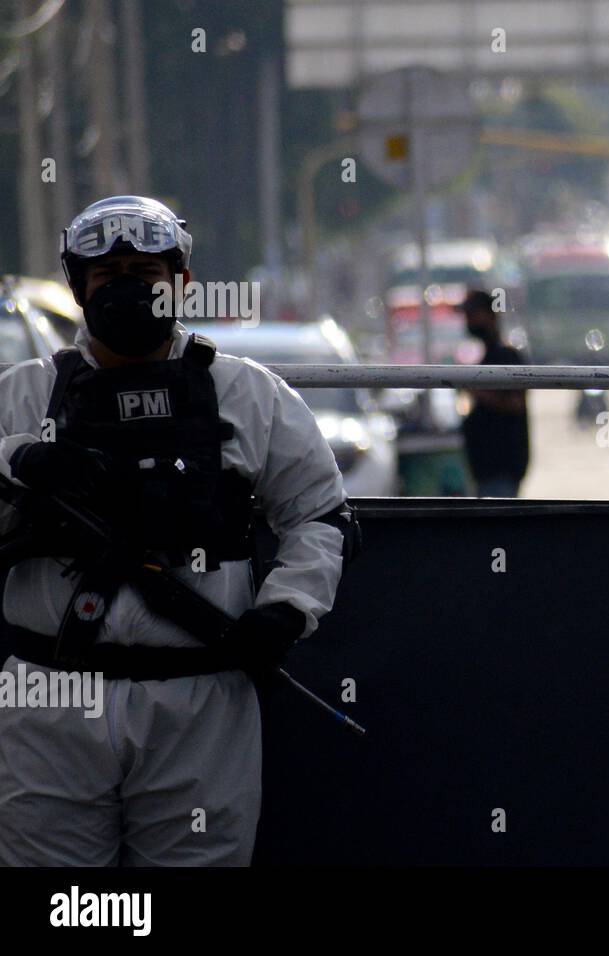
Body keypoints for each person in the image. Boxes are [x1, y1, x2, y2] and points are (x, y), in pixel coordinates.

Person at [0, 195, 359, 865]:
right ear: (78, 289)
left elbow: (320, 514)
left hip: (202, 705)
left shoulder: (249, 394)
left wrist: (287, 610)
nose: (130, 290)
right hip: (48, 701)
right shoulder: (20, 395)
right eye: (109, 278)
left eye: (147, 272)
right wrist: (20, 460)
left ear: (182, 283)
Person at [458, 288, 530, 498]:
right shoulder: (487, 357)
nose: (468, 321)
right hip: (488, 471)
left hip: (501, 469)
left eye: (473, 314)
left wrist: (475, 390)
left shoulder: (507, 357)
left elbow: (515, 403)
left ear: (490, 315)